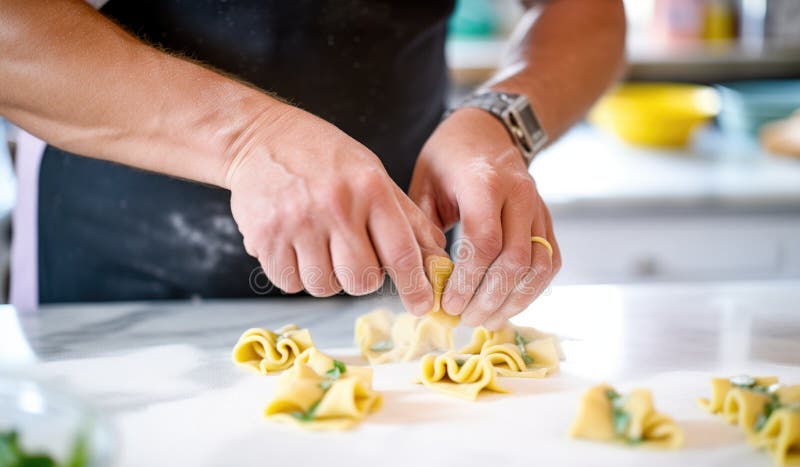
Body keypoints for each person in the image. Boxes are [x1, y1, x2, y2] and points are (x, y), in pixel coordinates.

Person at [0, 0, 625, 329]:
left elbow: (585, 10)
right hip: (114, 266)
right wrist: (247, 138)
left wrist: (500, 118)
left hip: (405, 242)